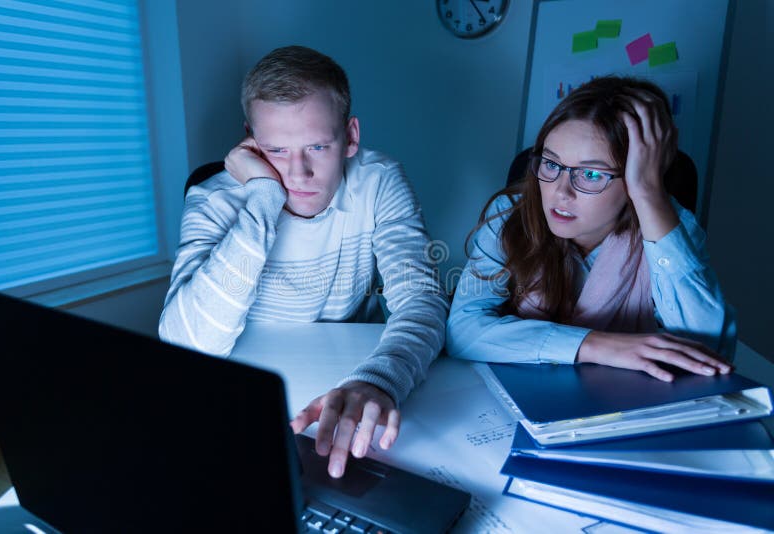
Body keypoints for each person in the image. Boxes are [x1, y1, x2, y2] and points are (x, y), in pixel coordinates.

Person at [159, 45, 448, 478]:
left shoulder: (379, 180)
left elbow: (422, 301)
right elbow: (186, 344)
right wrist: (262, 198)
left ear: (350, 136)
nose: (298, 174)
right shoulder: (214, 199)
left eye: (316, 146)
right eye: (276, 151)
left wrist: (379, 379)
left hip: (351, 378)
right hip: (247, 396)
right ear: (250, 143)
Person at [446, 75, 736, 381]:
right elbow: (463, 330)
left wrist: (649, 193)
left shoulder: (669, 227)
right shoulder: (510, 215)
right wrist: (593, 344)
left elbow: (707, 350)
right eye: (551, 164)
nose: (561, 191)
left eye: (591, 174)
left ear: (637, 177)